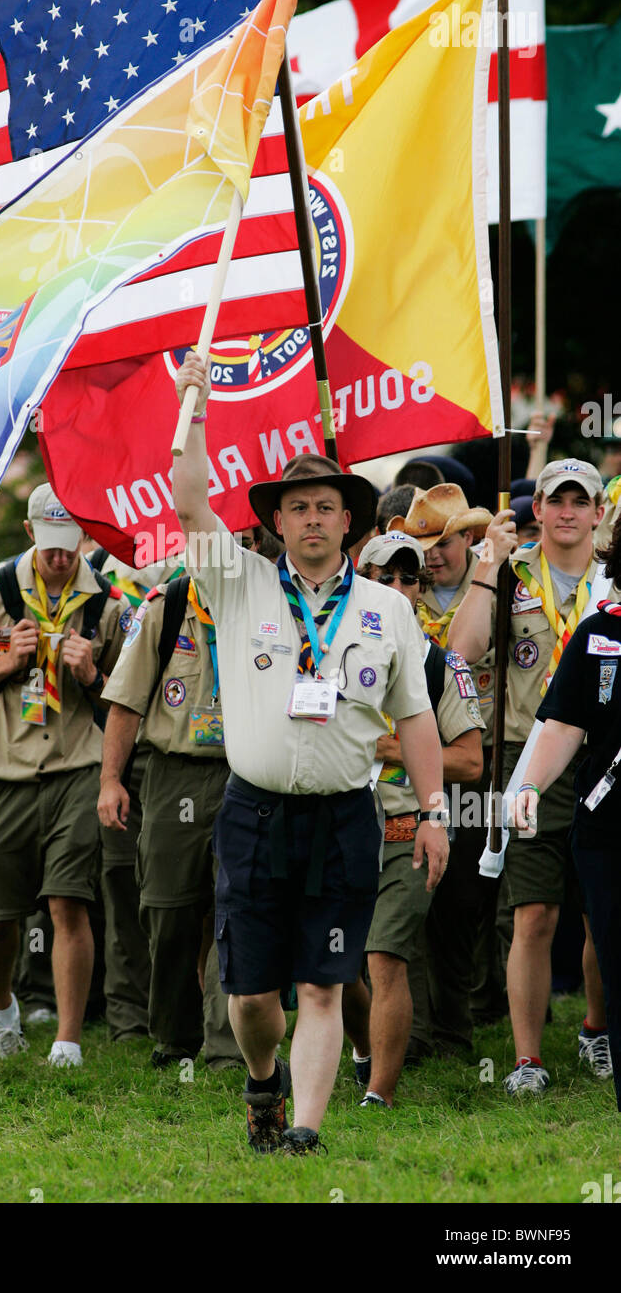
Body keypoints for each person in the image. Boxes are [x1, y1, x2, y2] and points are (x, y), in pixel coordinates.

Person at [171, 351, 447, 1154]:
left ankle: (305, 1129)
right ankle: (263, 1079)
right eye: (299, 508)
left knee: (325, 984)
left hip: (343, 818)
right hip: (255, 814)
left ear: (349, 521)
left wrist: (434, 813)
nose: (314, 519)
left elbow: (419, 721)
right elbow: (189, 504)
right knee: (253, 994)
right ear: (278, 522)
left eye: (328, 507)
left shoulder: (387, 612)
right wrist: (194, 402)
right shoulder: (239, 580)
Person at [0, 484, 131, 1066]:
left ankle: (67, 1040)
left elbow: (128, 700)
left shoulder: (109, 604)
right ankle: (1, 1008)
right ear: (29, 534)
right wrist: (8, 662)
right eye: (49, 544)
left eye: (69, 544)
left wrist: (92, 673)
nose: (59, 556)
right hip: (2, 769)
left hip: (77, 766)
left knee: (68, 903)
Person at [449, 458, 611, 1094]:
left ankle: (597, 1031)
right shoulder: (511, 579)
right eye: (555, 499)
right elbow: (458, 653)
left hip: (604, 760)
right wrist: (487, 565)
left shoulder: (615, 582)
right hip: (526, 760)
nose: (567, 511)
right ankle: (526, 1060)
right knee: (533, 914)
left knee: (603, 910)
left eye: (580, 500)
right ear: (535, 509)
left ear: (599, 513)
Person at [356, 532, 484, 1107]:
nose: (399, 588)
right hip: (339, 819)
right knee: (333, 963)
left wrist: (392, 748)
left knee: (386, 954)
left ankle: (379, 1093)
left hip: (410, 822)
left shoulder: (442, 663)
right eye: (386, 577)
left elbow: (469, 760)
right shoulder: (327, 652)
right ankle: (365, 1053)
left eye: (411, 579)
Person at [98, 567, 240, 1070]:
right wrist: (110, 780)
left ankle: (229, 1046)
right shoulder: (166, 605)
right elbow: (125, 701)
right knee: (166, 908)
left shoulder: (268, 600)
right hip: (172, 772)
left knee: (237, 909)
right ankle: (177, 1037)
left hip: (246, 772)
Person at [510, 508, 621, 1109]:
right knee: (610, 943)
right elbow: (561, 726)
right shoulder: (601, 632)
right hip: (606, 827)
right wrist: (528, 786)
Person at [385, 484, 498, 1055]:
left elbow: (461, 650)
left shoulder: (497, 583)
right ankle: (410, 1036)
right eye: (421, 543)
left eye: (443, 541)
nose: (428, 556)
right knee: (401, 920)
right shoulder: (389, 599)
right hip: (384, 799)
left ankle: (454, 1032)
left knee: (457, 905)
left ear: (469, 539)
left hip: (466, 777)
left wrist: (392, 750)